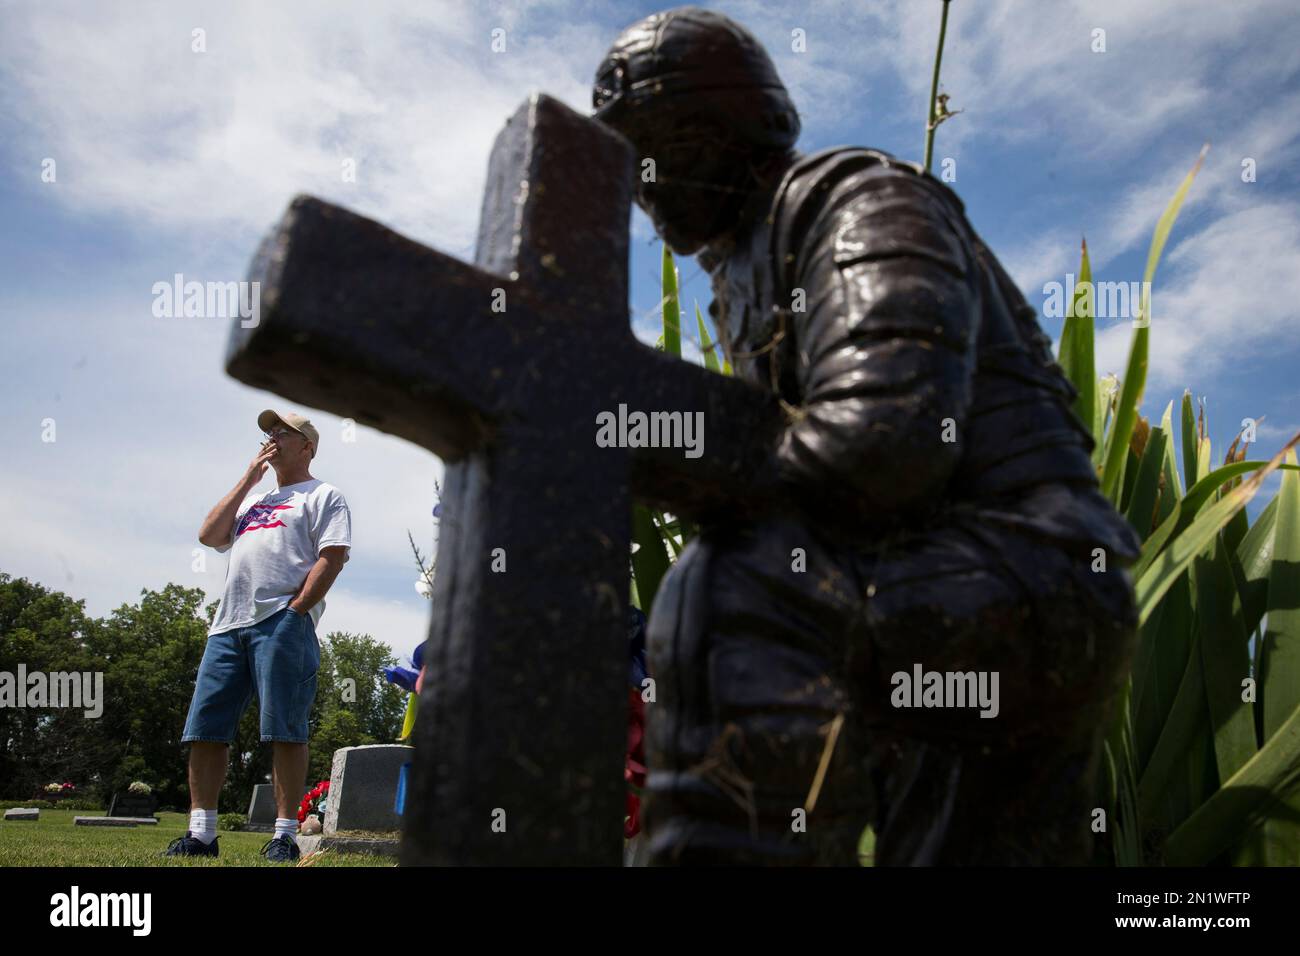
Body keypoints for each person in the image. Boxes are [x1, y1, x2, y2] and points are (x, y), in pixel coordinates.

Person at [593, 7, 1142, 864]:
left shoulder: (858, 202)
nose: (644, 182)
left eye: (665, 145)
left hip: (1026, 572)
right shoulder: (742, 264)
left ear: (739, 127)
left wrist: (660, 449)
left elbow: (885, 442)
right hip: (935, 583)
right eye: (630, 159)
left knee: (729, 588)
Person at [164, 409, 352, 862]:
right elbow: (210, 535)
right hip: (228, 626)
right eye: (268, 433)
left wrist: (296, 610)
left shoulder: (324, 495)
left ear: (306, 446)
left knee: (285, 728)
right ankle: (202, 835)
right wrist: (250, 477)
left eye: (281, 433)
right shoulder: (253, 501)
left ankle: (285, 835)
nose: (270, 439)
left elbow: (333, 556)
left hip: (283, 623)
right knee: (206, 728)